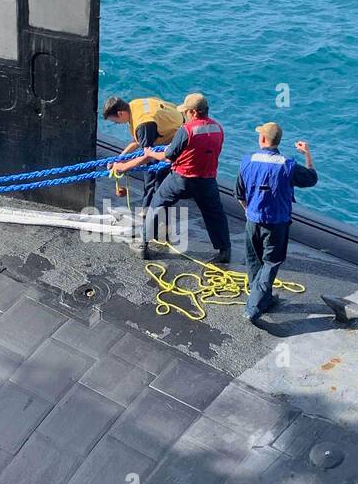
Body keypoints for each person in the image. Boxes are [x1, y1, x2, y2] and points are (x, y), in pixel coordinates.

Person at [234, 122, 317, 326]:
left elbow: (239, 193)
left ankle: (263, 298)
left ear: (262, 139)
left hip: (252, 220)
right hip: (277, 223)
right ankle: (253, 307)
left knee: (254, 260)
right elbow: (311, 179)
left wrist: (248, 211)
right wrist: (307, 154)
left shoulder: (247, 161)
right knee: (271, 262)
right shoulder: (288, 165)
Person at [141, 92, 232, 265]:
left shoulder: (186, 130)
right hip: (207, 181)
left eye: (186, 112)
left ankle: (143, 245)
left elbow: (168, 156)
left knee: (157, 202)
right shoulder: (218, 128)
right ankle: (224, 250)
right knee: (215, 213)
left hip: (181, 179)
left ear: (194, 112)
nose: (185, 115)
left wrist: (150, 152)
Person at [102, 95, 184, 207]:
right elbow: (138, 140)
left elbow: (148, 156)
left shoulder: (143, 124)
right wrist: (119, 159)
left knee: (157, 178)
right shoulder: (134, 105)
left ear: (121, 113)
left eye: (115, 121)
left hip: (178, 137)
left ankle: (154, 212)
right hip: (171, 122)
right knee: (150, 174)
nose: (117, 124)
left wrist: (123, 167)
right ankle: (147, 209)